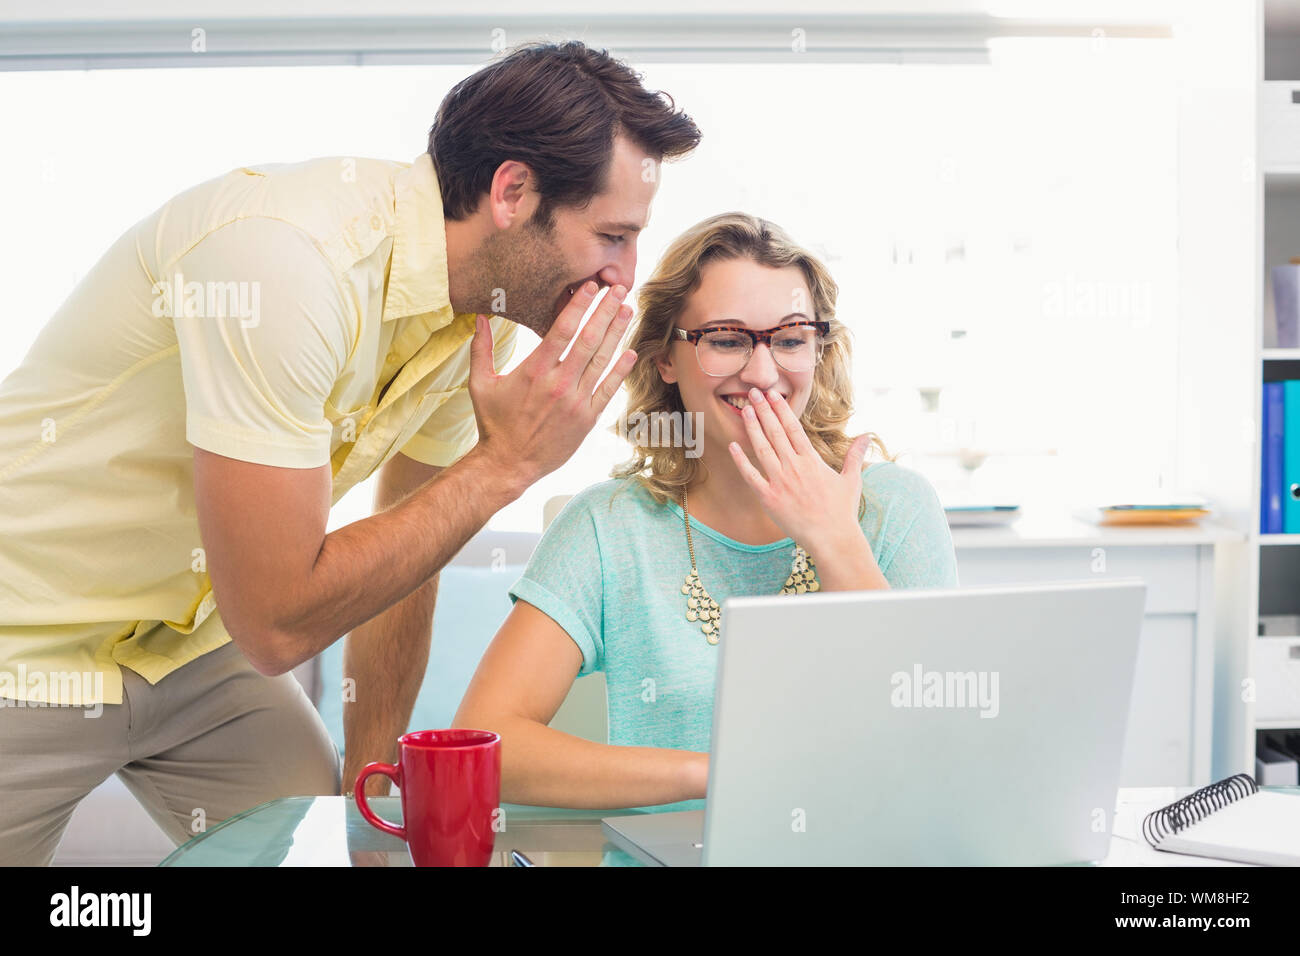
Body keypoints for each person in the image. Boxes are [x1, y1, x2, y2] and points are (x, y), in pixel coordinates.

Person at [0, 40, 701, 865]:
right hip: (29, 642)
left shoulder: (471, 317)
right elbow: (274, 625)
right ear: (512, 191)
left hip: (188, 654)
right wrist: (506, 465)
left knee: (323, 846)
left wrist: (373, 812)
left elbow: (414, 547)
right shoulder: (285, 264)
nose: (626, 277)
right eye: (612, 236)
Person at [454, 212, 959, 814]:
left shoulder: (895, 507)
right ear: (666, 358)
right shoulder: (609, 527)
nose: (764, 373)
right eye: (725, 339)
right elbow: (484, 746)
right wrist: (720, 774)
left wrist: (836, 543)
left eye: (791, 338)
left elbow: (936, 740)